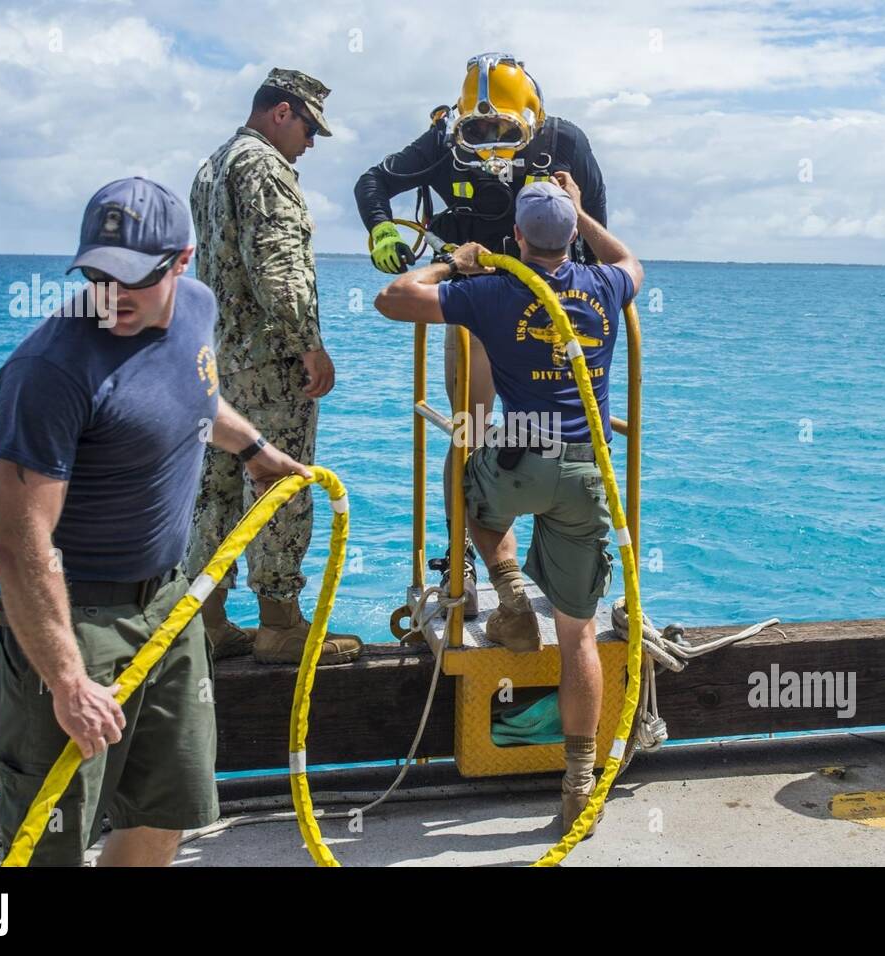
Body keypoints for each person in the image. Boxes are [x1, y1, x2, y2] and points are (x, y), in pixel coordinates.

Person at [0, 177, 314, 866]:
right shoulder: (46, 372)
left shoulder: (197, 307)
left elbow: (194, 393)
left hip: (170, 603)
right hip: (73, 619)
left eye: (133, 277)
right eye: (98, 275)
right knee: (51, 846)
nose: (112, 295)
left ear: (182, 262)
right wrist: (68, 680)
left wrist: (253, 449)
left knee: (169, 811)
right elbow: (18, 545)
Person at [372, 173, 642, 832]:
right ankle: (579, 781)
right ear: (573, 235)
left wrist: (454, 261)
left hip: (520, 461)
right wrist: (583, 213)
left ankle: (510, 592)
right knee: (579, 634)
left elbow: (392, 298)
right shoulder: (606, 286)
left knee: (466, 482)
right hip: (588, 471)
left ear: (516, 236)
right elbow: (631, 260)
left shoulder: (493, 291)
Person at [355, 53, 609, 616]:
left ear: (533, 122)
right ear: (460, 124)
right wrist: (381, 230)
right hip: (477, 299)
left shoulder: (565, 142)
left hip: (549, 303)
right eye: (479, 131)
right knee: (469, 426)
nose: (492, 145)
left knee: (562, 429)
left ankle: (564, 559)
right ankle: (462, 559)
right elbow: (373, 181)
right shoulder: (441, 142)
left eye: (504, 131)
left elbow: (595, 227)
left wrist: (587, 302)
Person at [188, 68, 361, 665]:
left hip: (219, 361)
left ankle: (206, 622)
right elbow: (278, 264)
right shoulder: (264, 166)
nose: (310, 143)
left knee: (215, 492)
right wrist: (308, 344)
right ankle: (279, 625)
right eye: (309, 129)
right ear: (282, 112)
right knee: (280, 484)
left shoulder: (211, 166)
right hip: (268, 360)